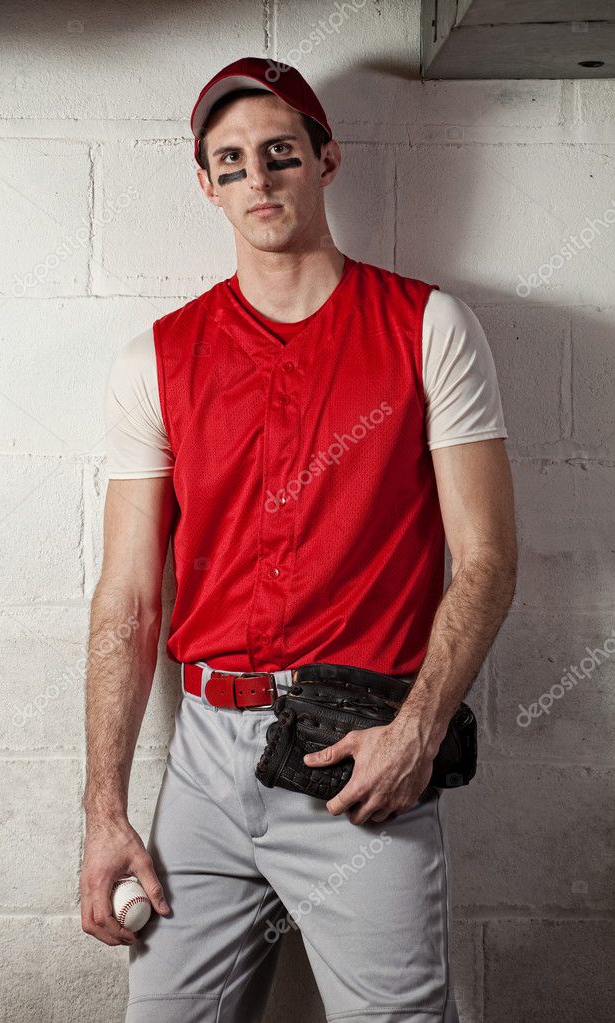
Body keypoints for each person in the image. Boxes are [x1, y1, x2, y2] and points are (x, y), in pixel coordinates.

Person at [80, 56, 517, 1023]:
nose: (258, 178)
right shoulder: (156, 357)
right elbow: (128, 600)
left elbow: (484, 557)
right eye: (230, 161)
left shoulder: (429, 326)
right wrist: (104, 810)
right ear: (206, 184)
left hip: (357, 750)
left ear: (327, 159)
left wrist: (419, 728)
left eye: (280, 152)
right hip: (203, 758)